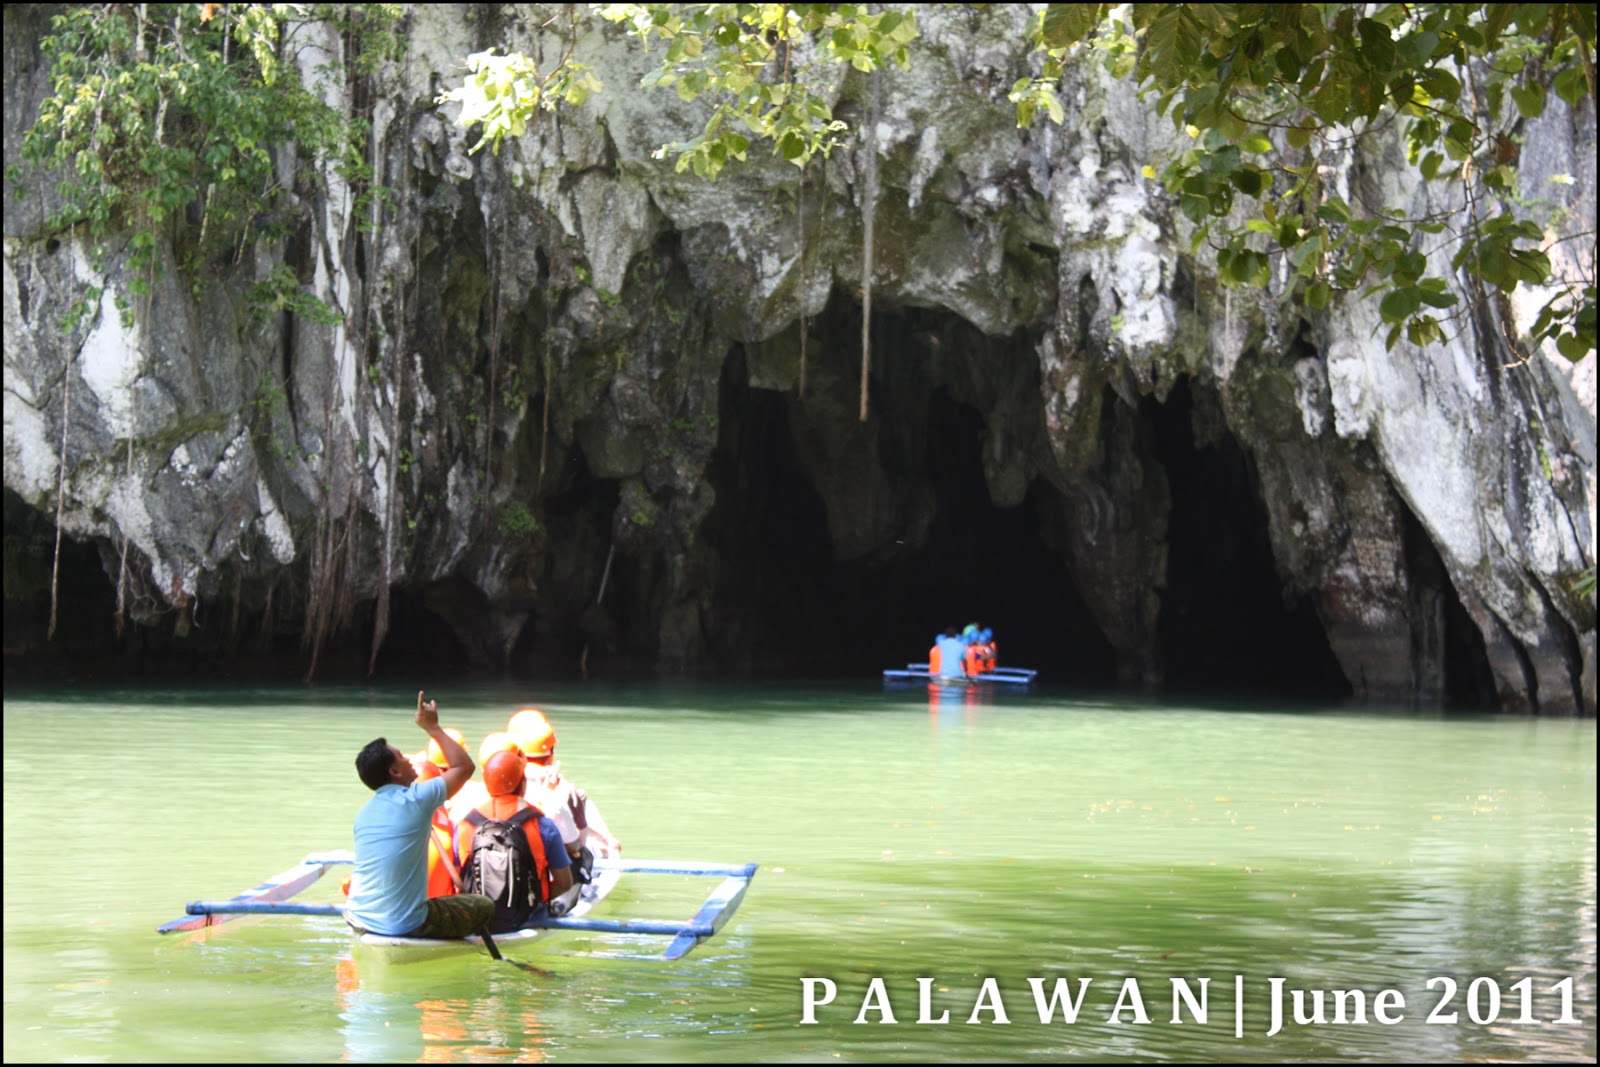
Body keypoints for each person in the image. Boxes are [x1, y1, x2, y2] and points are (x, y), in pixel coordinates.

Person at [346, 691, 495, 939]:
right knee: (483, 906)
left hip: (358, 917)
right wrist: (432, 727)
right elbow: (465, 767)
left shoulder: (364, 812)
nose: (409, 759)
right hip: (402, 923)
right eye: (402, 756)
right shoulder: (417, 799)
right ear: (394, 771)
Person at [453, 749, 574, 931]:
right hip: (530, 918)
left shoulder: (464, 825)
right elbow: (564, 883)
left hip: (479, 921)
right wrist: (534, 898)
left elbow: (457, 885)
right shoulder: (542, 825)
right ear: (523, 783)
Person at [508, 708, 622, 869]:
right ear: (551, 755)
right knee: (596, 845)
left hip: (512, 860)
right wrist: (608, 840)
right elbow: (576, 844)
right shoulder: (561, 789)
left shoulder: (497, 785)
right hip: (550, 867)